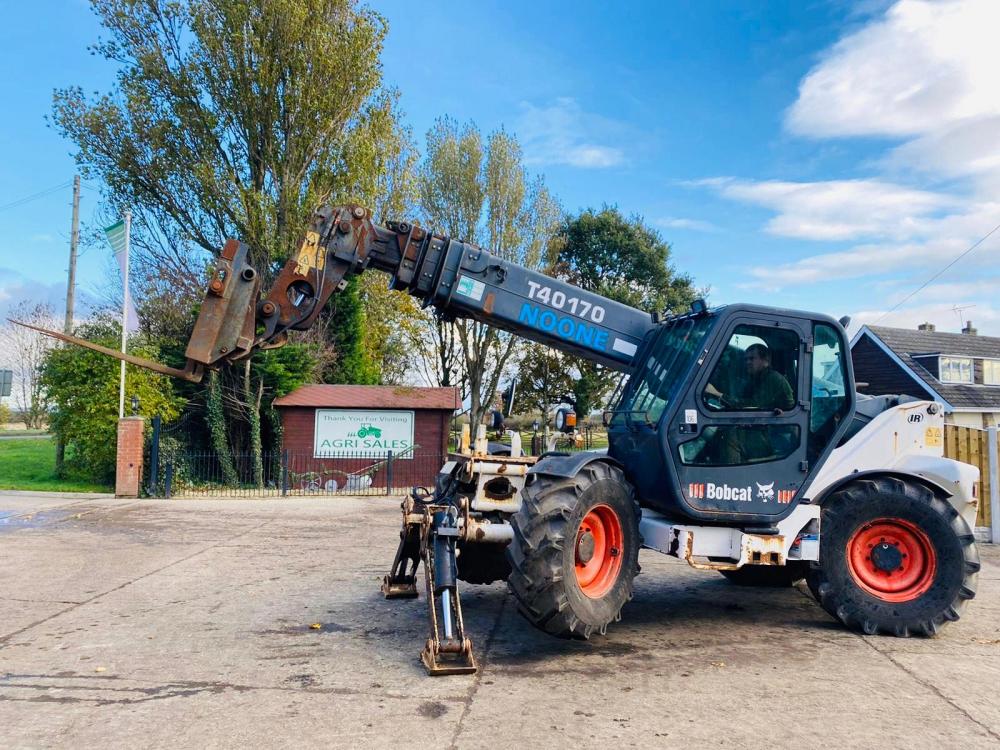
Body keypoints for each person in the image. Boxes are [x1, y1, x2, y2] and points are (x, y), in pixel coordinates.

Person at [704, 343, 793, 412]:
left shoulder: (773, 378)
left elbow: (752, 406)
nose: (747, 362)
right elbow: (742, 398)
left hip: (781, 427)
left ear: (766, 360)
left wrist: (717, 394)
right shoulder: (756, 378)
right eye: (746, 359)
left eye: (751, 358)